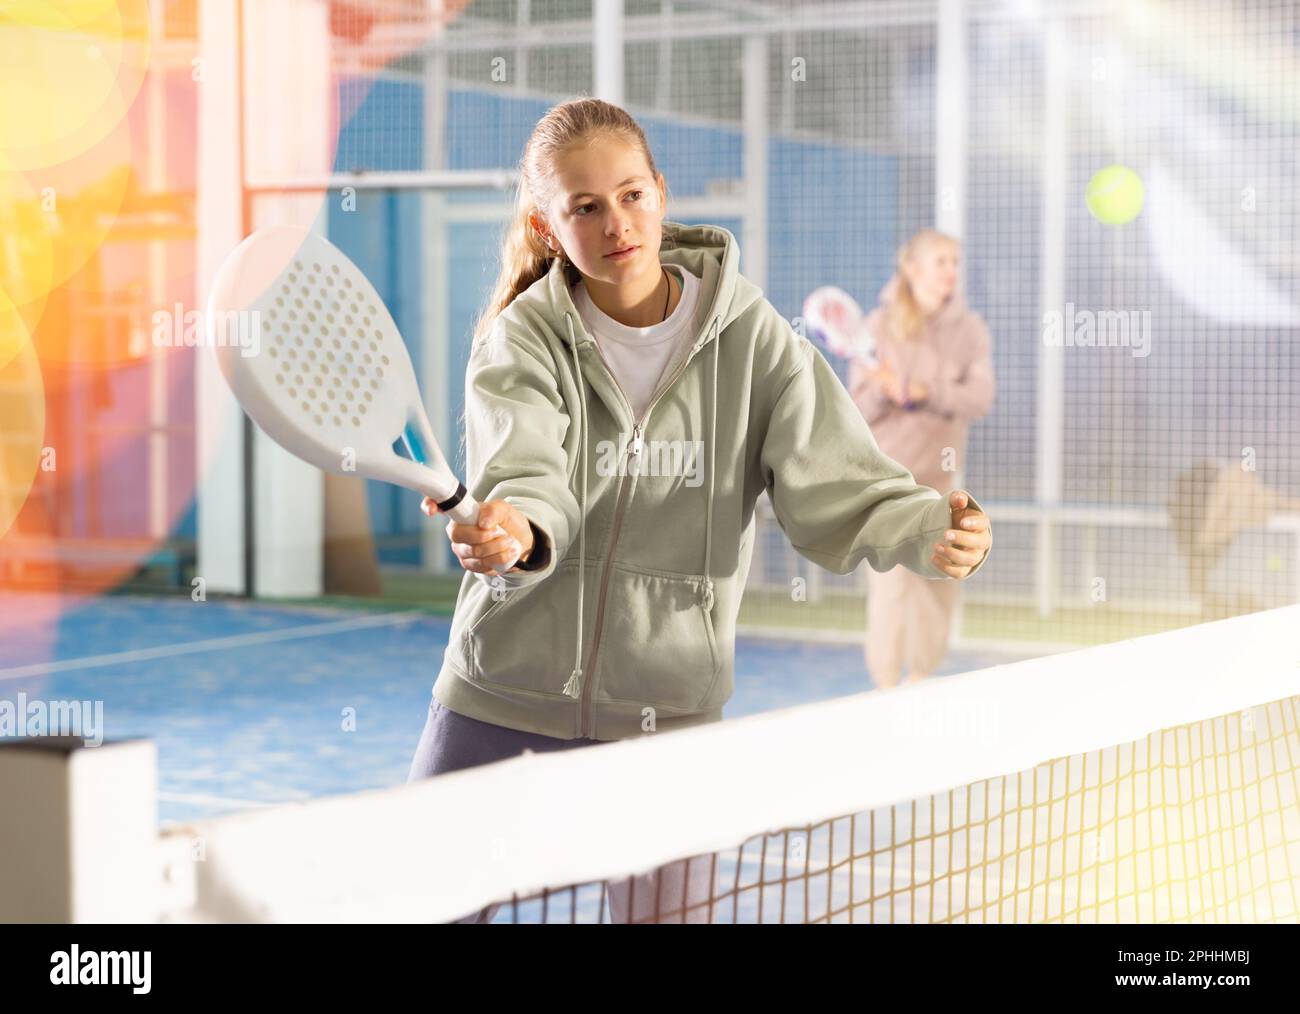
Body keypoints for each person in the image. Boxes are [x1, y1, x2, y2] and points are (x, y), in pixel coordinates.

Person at [407, 99, 993, 921]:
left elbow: (840, 483)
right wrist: (517, 532)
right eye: (584, 206)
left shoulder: (756, 341)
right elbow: (527, 473)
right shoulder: (522, 340)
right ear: (546, 228)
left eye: (632, 194)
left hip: (668, 711)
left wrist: (932, 527)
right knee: (428, 903)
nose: (617, 222)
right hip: (499, 696)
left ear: (662, 193)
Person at [848, 230, 995, 689]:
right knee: (890, 587)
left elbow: (980, 398)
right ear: (911, 270)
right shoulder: (877, 326)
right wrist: (884, 391)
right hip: (886, 483)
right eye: (939, 261)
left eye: (954, 261)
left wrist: (927, 392)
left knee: (939, 581)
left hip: (939, 483)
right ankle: (886, 686)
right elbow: (856, 409)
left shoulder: (970, 331)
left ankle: (922, 680)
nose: (950, 271)